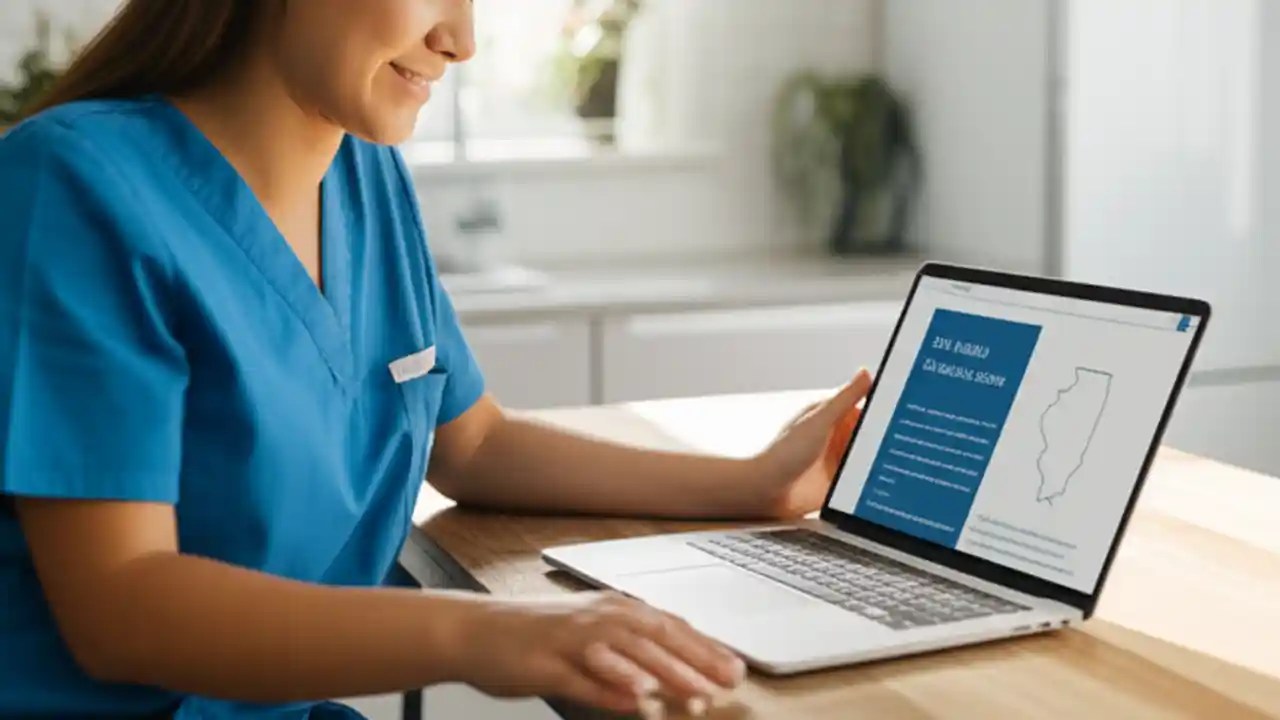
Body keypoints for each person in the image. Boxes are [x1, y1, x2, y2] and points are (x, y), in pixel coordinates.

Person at [0, 1, 872, 718]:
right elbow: (121, 608)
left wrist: (750, 484)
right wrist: (491, 636)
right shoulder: (76, 186)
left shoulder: (364, 174)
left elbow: (475, 443)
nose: (461, 39)